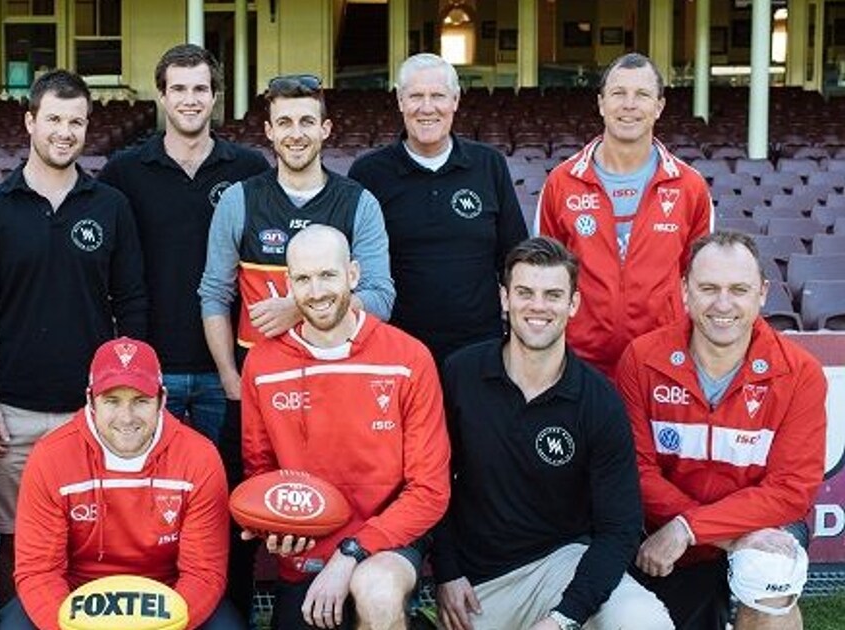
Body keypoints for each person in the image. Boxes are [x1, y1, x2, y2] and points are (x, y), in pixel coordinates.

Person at [198, 75, 394, 618]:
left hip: (340, 384)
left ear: (326, 129)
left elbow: (381, 295)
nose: (296, 132)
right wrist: (231, 381)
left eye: (307, 120)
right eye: (284, 122)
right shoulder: (241, 200)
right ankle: (233, 614)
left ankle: (345, 592)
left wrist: (294, 308)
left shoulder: (358, 203)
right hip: (256, 388)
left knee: (334, 494)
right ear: (268, 132)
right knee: (240, 512)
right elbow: (213, 293)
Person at [0, 69, 148, 604]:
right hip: (10, 413)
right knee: (19, 542)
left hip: (92, 413)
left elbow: (132, 305)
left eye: (76, 122)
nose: (65, 132)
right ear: (30, 122)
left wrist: (128, 401)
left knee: (98, 540)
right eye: (54, 120)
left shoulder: (110, 207)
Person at [430, 237, 671, 630]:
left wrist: (565, 617)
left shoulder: (598, 400)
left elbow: (621, 527)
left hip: (564, 567)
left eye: (553, 295)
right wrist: (446, 572)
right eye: (525, 292)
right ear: (504, 298)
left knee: (645, 623)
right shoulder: (460, 374)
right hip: (479, 587)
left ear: (573, 304)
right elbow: (430, 480)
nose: (538, 306)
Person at [240, 225, 448, 630]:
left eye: (328, 275)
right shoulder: (262, 365)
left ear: (352, 274)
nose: (316, 291)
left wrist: (352, 552)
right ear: (289, 284)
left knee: (377, 591)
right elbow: (261, 473)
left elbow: (431, 491)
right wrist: (273, 527)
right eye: (302, 278)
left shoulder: (408, 358)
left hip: (386, 540)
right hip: (307, 547)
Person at [616, 231, 827, 630]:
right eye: (708, 288)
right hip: (663, 531)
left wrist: (692, 528)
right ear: (684, 290)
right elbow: (636, 472)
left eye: (739, 289)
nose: (723, 304)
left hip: (751, 528)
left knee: (769, 569)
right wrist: (700, 531)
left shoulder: (801, 373)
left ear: (762, 293)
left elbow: (789, 491)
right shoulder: (642, 359)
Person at [0, 336, 242, 630]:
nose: (126, 418)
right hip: (77, 596)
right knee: (16, 622)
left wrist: (165, 626)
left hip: (166, 594)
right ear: (90, 400)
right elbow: (39, 572)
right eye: (112, 401)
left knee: (225, 625)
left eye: (141, 401)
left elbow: (203, 572)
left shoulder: (199, 457)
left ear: (162, 400)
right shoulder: (51, 457)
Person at [99, 44, 269, 445]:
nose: (189, 100)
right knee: (154, 490)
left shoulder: (249, 170)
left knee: (230, 483)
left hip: (229, 366)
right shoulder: (122, 172)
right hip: (151, 363)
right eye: (178, 89)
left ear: (215, 96)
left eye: (199, 89)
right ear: (162, 95)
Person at [535, 52, 713, 376]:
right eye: (618, 93)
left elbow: (702, 280)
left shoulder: (690, 186)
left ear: (659, 106)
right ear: (601, 103)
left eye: (642, 95)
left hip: (662, 362)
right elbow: (544, 277)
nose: (629, 105)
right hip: (579, 363)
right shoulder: (562, 182)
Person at [348, 53, 526, 367]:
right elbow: (353, 267)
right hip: (395, 348)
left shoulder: (489, 165)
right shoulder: (369, 173)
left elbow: (515, 256)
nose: (427, 107)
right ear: (400, 101)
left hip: (480, 348)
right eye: (416, 96)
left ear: (455, 101)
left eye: (438, 96)